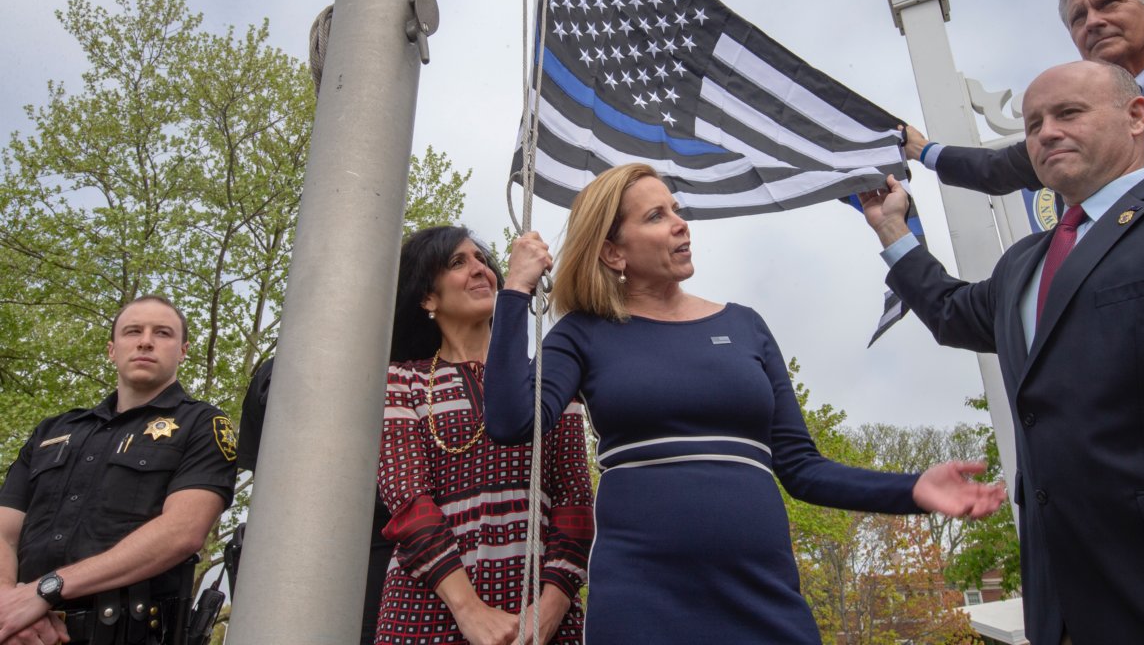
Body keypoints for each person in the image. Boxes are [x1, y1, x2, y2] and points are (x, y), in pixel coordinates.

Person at [484, 164, 1005, 644]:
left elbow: (802, 469)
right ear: (613, 252)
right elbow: (511, 420)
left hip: (764, 595)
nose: (680, 225)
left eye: (677, 210)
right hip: (643, 598)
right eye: (656, 216)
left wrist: (912, 488)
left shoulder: (745, 326)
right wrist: (515, 291)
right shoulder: (583, 334)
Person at [861, 60, 1144, 644]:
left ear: (1137, 115)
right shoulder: (1025, 262)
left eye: (1068, 113)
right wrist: (894, 232)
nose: (1045, 133)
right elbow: (950, 314)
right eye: (1034, 123)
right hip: (1060, 605)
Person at [375, 226, 593, 645]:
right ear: (427, 297)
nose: (480, 270)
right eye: (458, 263)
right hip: (426, 614)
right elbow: (408, 504)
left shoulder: (549, 380)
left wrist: (549, 610)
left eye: (482, 261)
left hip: (541, 616)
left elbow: (575, 504)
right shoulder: (401, 381)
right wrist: (469, 610)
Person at [0, 295, 238, 644]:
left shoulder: (202, 425)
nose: (145, 340)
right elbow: (4, 530)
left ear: (183, 351)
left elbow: (182, 532)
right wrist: (9, 608)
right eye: (132, 331)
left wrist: (44, 591)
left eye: (162, 333)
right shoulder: (53, 431)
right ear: (112, 349)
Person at [904, 0, 1144, 192]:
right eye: (1078, 18)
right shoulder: (1065, 128)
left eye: (1108, 4)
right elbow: (997, 169)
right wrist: (922, 150)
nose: (1094, 22)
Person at [237, 358, 393, 645]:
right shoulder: (274, 372)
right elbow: (262, 468)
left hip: (386, 549)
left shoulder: (410, 362)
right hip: (289, 555)